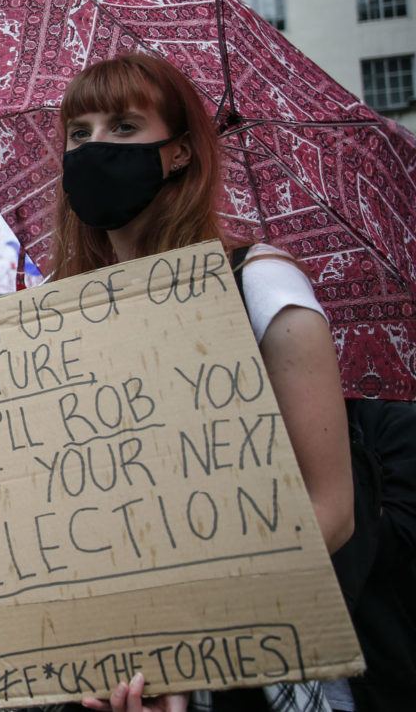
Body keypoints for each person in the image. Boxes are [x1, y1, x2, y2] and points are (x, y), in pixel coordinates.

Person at [51, 54, 352, 712]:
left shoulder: (263, 284)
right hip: (107, 668)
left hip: (248, 668)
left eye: (125, 127)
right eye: (80, 132)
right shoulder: (64, 313)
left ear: (180, 152)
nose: (96, 146)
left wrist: (183, 652)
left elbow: (328, 513)